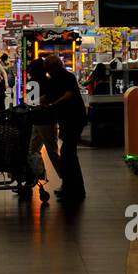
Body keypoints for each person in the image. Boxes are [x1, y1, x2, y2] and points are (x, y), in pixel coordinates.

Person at [42, 54, 87, 201]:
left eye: (49, 69)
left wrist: (53, 105)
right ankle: (71, 186)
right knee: (68, 153)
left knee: (68, 153)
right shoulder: (55, 79)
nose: (48, 72)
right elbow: (48, 96)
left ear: (54, 67)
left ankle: (76, 189)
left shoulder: (67, 77)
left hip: (74, 118)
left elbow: (69, 95)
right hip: (67, 119)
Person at [26, 58, 59, 179]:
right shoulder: (49, 81)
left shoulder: (33, 83)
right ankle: (33, 177)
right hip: (47, 120)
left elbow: (31, 103)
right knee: (35, 151)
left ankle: (65, 178)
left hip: (40, 120)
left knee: (46, 151)